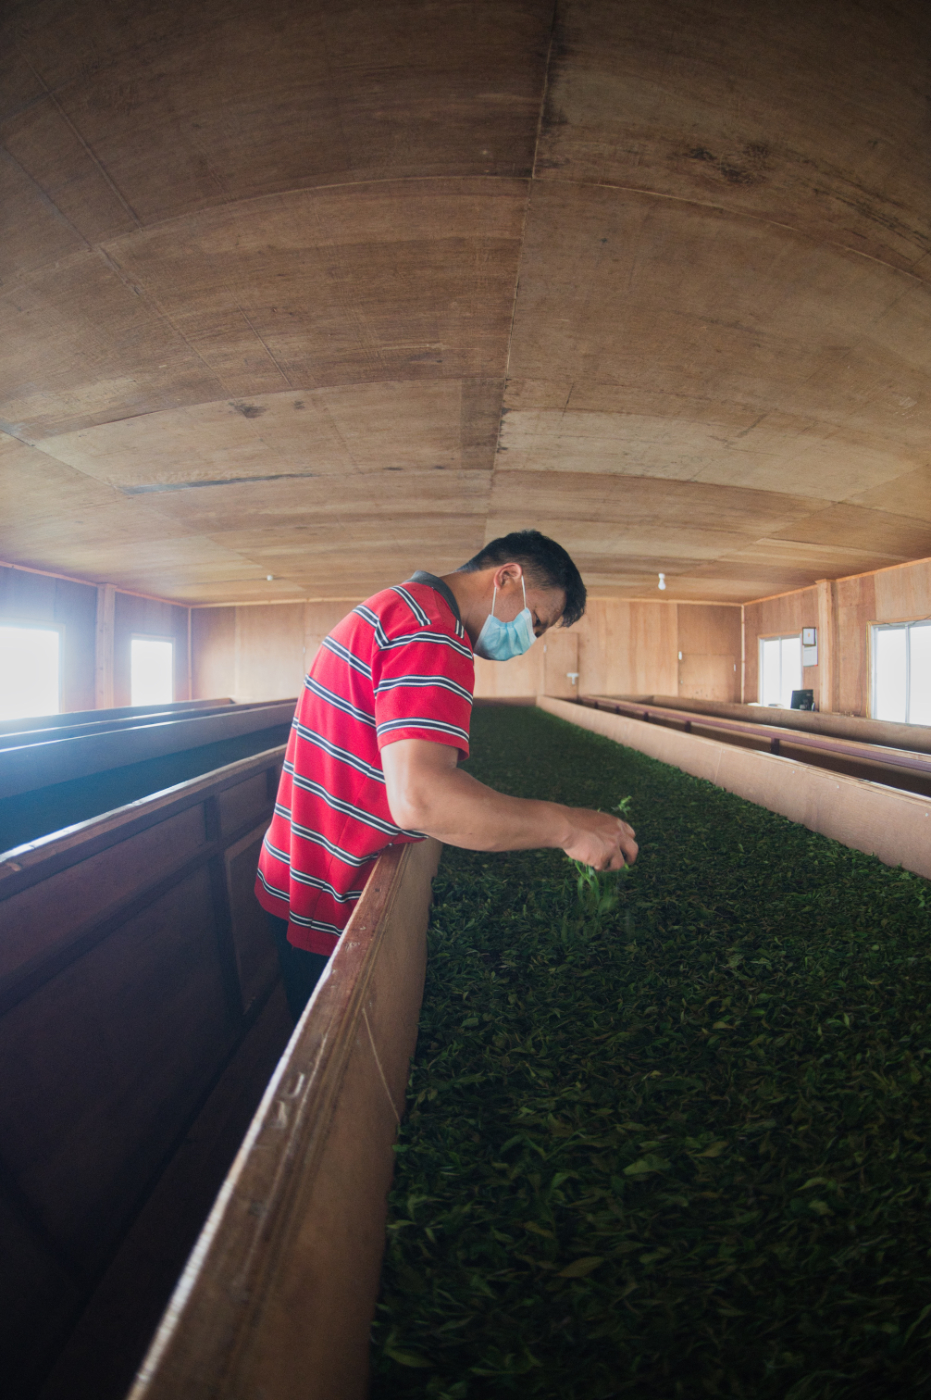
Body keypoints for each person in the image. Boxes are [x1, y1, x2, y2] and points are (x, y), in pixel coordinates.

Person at [255, 529, 638, 1020]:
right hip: (330, 892)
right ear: (507, 577)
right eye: (535, 621)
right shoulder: (432, 631)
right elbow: (422, 798)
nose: (527, 641)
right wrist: (567, 827)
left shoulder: (399, 607)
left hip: (298, 870)